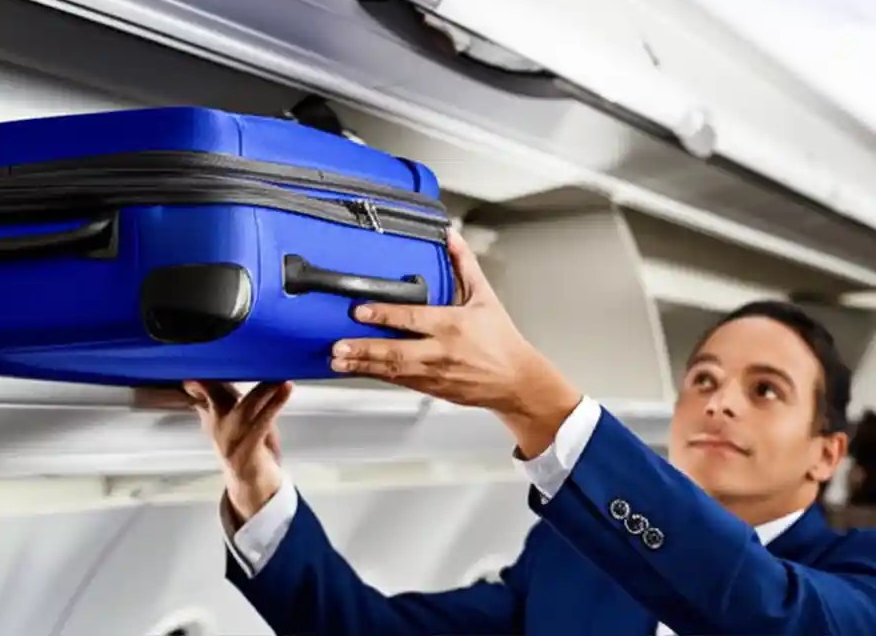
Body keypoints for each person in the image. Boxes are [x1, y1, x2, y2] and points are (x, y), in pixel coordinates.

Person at [184, 230, 876, 635]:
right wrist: (257, 492)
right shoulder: (576, 557)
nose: (721, 404)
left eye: (765, 391)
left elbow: (764, 612)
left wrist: (534, 401)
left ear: (827, 453)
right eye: (704, 380)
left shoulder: (861, 577)